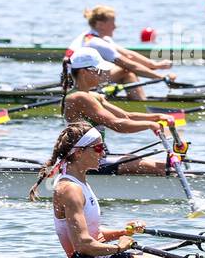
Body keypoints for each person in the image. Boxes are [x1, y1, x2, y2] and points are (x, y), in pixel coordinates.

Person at [30, 122, 204, 258]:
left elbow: (93, 234)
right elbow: (83, 244)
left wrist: (123, 232)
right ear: (79, 152)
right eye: (98, 148)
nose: (104, 153)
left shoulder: (79, 183)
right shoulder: (70, 189)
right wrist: (120, 248)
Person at [60, 46, 178, 176]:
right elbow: (117, 124)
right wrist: (149, 125)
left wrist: (157, 117)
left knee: (152, 163)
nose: (102, 74)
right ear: (83, 72)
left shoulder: (94, 96)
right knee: (164, 168)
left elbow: (126, 116)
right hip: (84, 162)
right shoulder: (79, 97)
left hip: (97, 156)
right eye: (98, 70)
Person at [66, 5, 173, 100]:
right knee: (125, 71)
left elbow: (128, 55)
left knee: (126, 71)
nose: (115, 26)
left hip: (80, 76)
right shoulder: (95, 42)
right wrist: (161, 78)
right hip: (75, 80)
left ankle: (138, 102)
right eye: (112, 22)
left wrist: (155, 65)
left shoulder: (97, 38)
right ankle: (141, 104)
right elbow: (129, 64)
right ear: (100, 24)